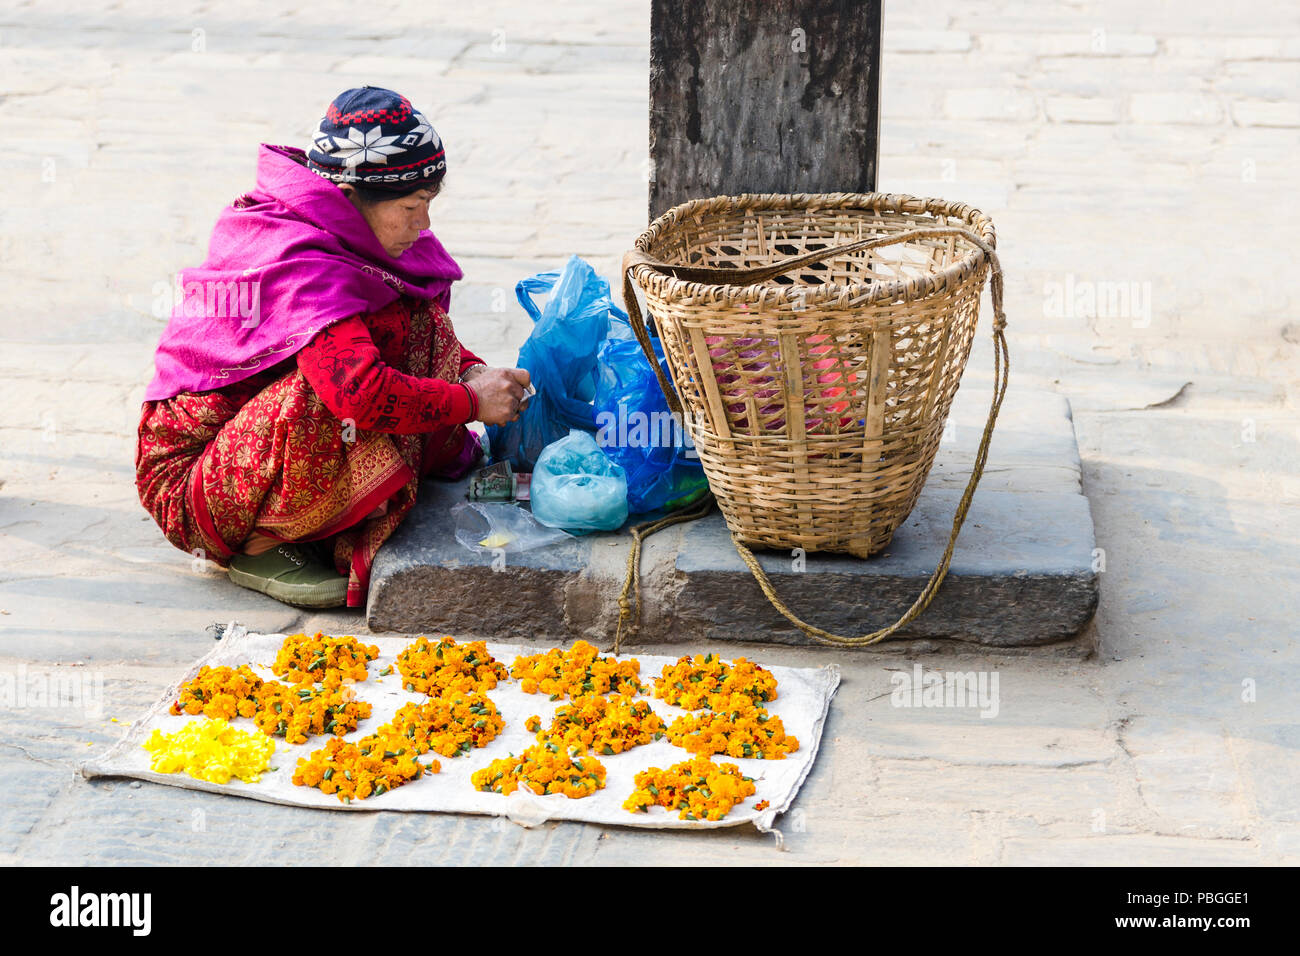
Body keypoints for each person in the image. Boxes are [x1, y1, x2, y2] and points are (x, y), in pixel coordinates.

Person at [136, 86, 529, 609]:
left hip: (253, 443)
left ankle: (329, 507)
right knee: (329, 390)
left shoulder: (359, 239)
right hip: (199, 481)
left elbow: (421, 334)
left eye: (429, 204)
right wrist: (469, 402)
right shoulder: (301, 256)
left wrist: (476, 375)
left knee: (413, 320)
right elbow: (358, 393)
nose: (424, 224)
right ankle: (260, 542)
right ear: (348, 198)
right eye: (412, 206)